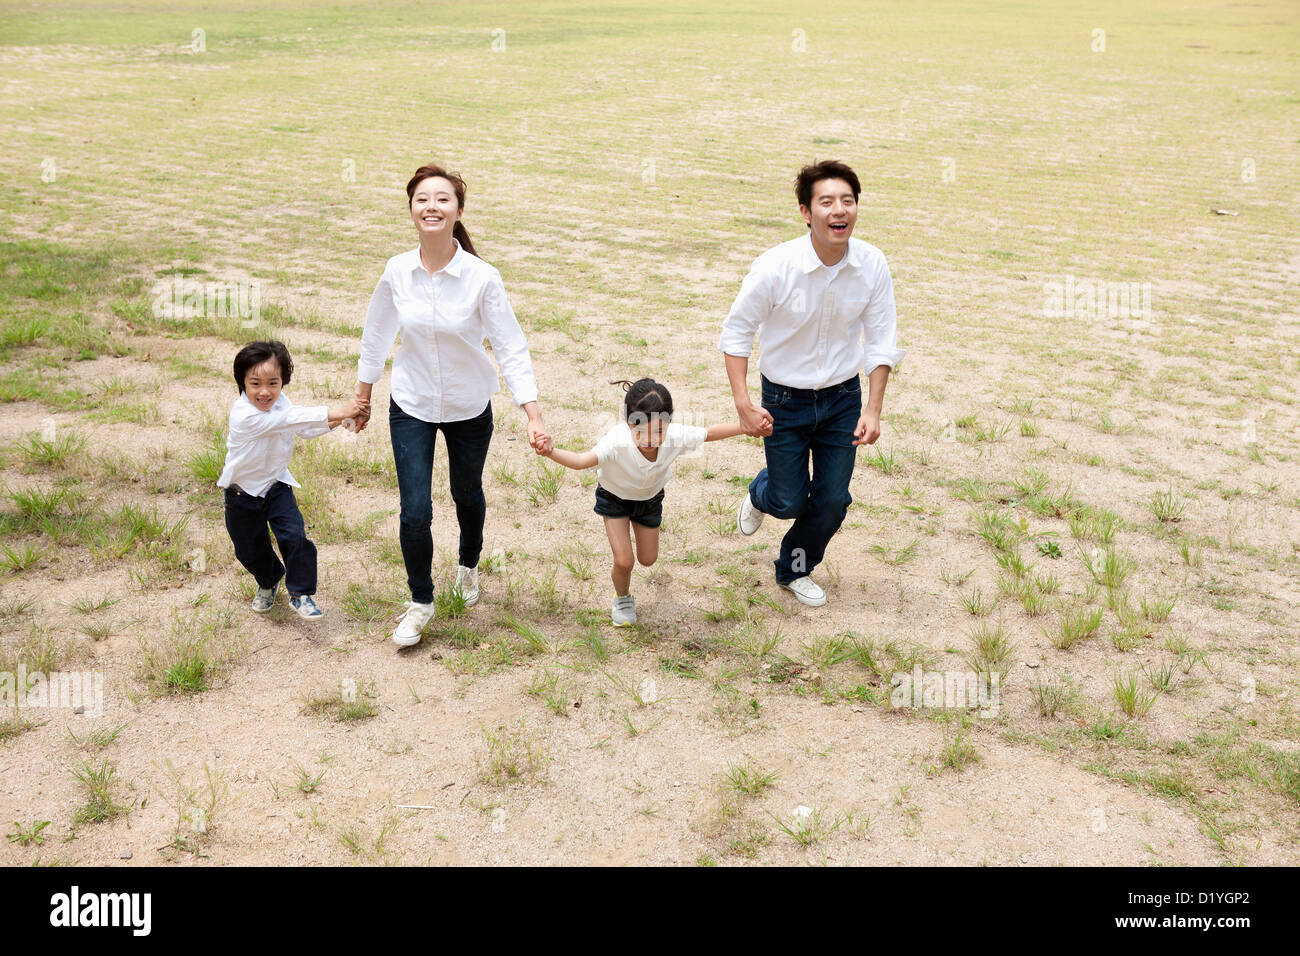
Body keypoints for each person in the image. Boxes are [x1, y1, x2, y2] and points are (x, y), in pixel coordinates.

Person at [352, 163, 550, 647]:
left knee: (467, 493)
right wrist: (364, 395)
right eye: (422, 199)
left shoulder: (482, 277)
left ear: (458, 210)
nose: (432, 207)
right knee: (414, 510)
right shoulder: (398, 270)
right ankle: (420, 601)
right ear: (412, 210)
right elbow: (377, 332)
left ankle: (468, 564)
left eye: (442, 199)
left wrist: (533, 413)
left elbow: (510, 346)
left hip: (468, 408)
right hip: (412, 404)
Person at [719, 160, 905, 607]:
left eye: (848, 200)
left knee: (833, 500)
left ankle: (793, 569)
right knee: (788, 500)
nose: (839, 210)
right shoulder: (775, 267)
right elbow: (736, 333)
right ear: (806, 212)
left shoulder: (871, 264)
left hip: (843, 399)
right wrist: (744, 403)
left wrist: (873, 410)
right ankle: (762, 494)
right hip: (784, 399)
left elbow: (882, 340)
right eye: (827, 202)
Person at [539, 378, 746, 626]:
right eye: (641, 431)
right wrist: (550, 452)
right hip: (614, 499)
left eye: (658, 431)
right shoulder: (617, 441)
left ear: (668, 423)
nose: (650, 439)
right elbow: (583, 461)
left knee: (648, 559)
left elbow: (708, 433)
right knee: (625, 560)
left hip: (649, 499)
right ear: (629, 423)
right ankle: (622, 598)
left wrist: (746, 426)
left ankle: (632, 569)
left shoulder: (675, 436)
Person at [217, 340, 364, 619]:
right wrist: (343, 410)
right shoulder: (244, 415)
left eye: (273, 383)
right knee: (249, 550)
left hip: (276, 485)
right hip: (241, 493)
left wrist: (342, 421)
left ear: (283, 381)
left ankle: (301, 593)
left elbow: (302, 427)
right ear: (242, 383)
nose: (265, 392)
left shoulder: (281, 404)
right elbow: (291, 420)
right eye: (255, 383)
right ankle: (269, 580)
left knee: (295, 536)